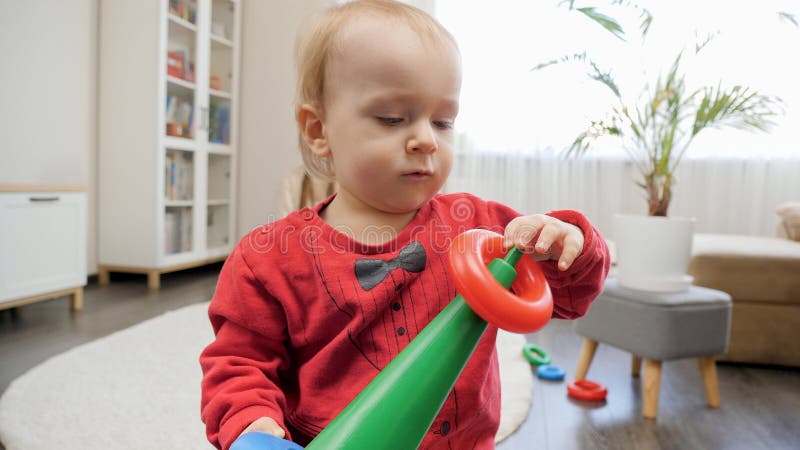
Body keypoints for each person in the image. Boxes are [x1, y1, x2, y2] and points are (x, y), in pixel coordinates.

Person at [200, 1, 611, 449]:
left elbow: (569, 296)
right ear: (318, 129)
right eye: (392, 119)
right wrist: (251, 423)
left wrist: (568, 242)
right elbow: (239, 363)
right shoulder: (269, 257)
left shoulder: (480, 228)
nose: (425, 140)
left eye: (443, 121)